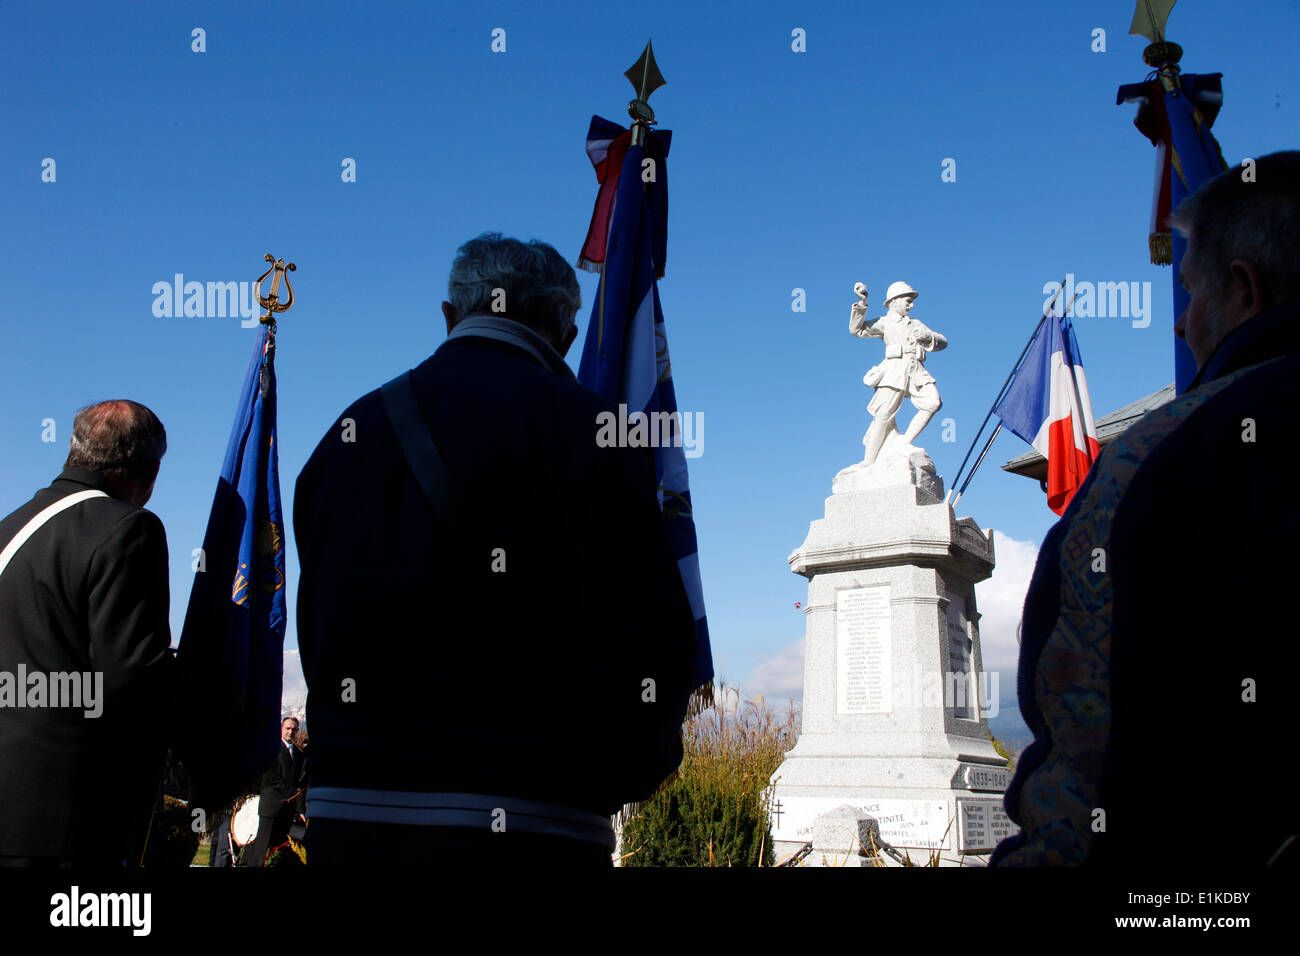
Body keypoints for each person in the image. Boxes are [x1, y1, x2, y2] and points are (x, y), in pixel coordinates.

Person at [294, 232, 698, 866]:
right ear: (565, 332)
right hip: (533, 824)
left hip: (348, 821)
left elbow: (318, 627)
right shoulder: (598, 434)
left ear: (451, 316)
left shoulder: (343, 439)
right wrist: (607, 780)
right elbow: (650, 641)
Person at [991, 151, 1300, 866]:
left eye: (1189, 294)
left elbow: (1085, 766)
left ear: (1245, 289)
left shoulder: (1165, 462)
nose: (1180, 323)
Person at [0, 400, 172, 866]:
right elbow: (129, 680)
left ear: (74, 452)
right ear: (150, 474)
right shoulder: (128, 529)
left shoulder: (8, 529)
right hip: (65, 820)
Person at [850, 281, 947, 464]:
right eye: (907, 300)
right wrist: (862, 302)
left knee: (933, 402)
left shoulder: (916, 324)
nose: (911, 305)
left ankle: (904, 443)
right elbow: (857, 330)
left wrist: (927, 337)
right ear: (894, 301)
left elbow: (943, 341)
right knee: (883, 415)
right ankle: (868, 461)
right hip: (894, 370)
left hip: (916, 371)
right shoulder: (884, 323)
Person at [248, 716, 306, 867]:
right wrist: (293, 793)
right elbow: (271, 778)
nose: (290, 732)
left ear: (298, 731)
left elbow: (298, 779)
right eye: (287, 728)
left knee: (279, 847)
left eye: (294, 729)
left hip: (288, 809)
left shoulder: (299, 754)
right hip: (271, 807)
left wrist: (298, 804)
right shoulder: (272, 749)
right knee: (262, 848)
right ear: (281, 729)